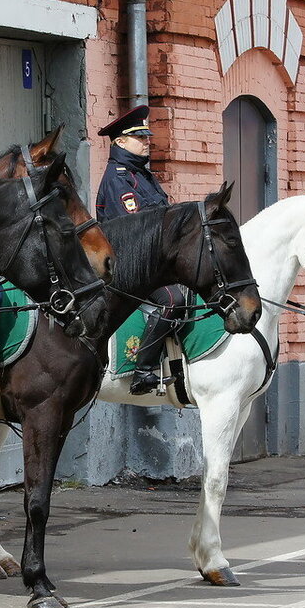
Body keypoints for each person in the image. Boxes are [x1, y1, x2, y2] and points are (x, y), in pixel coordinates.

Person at [95, 105, 186, 395]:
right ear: (120, 142)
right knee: (172, 299)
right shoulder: (117, 179)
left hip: (153, 262)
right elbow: (136, 234)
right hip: (128, 265)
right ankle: (143, 371)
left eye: (146, 137)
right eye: (139, 138)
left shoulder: (142, 175)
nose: (147, 141)